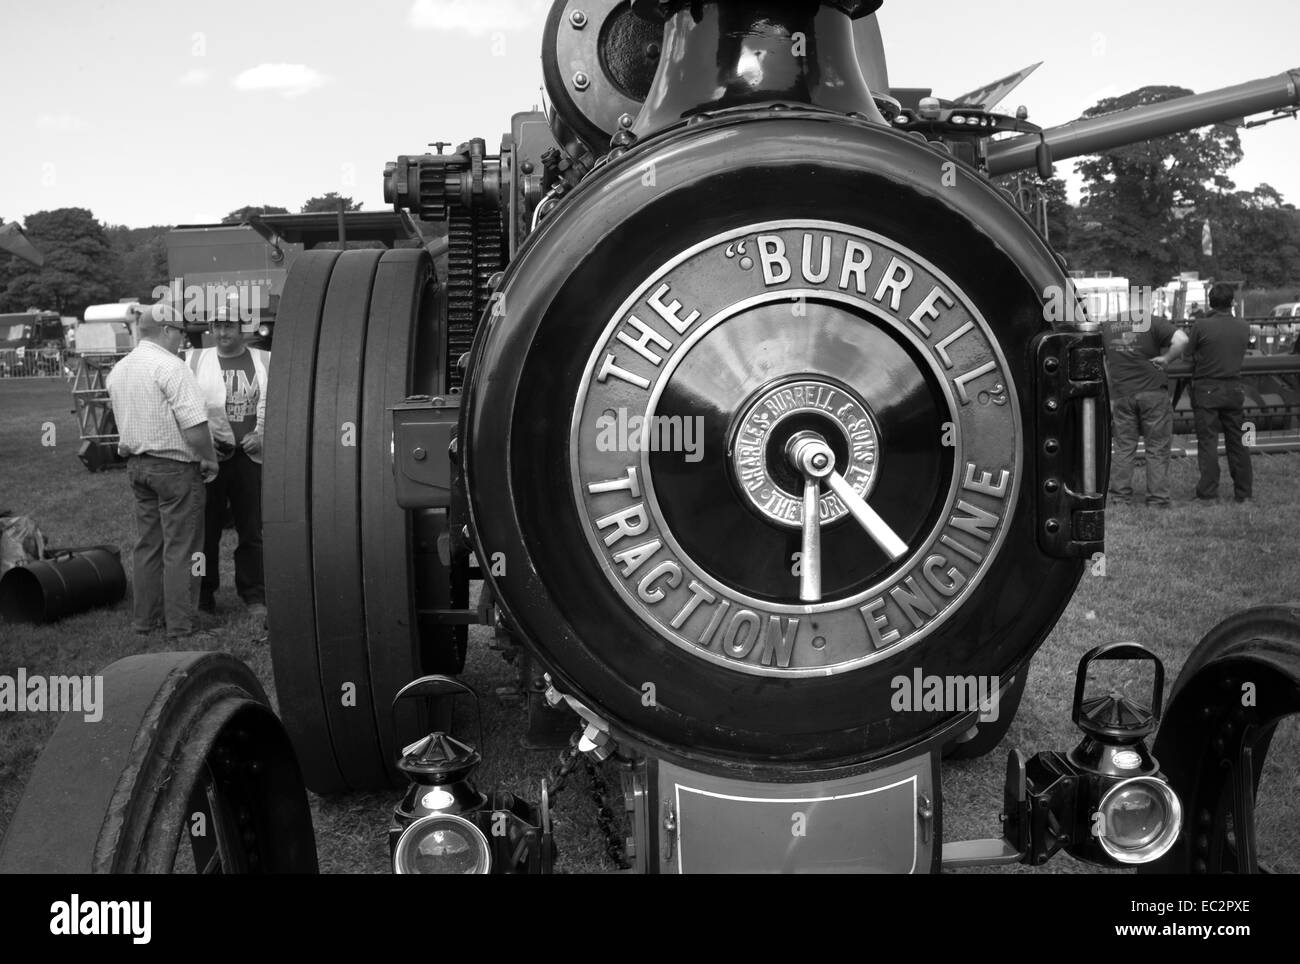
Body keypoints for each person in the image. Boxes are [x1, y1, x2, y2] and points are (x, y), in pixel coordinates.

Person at [106, 296, 219, 639]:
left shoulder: (119, 369)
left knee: (148, 544)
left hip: (137, 465)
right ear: (167, 330)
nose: (183, 339)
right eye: (180, 332)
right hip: (174, 468)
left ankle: (146, 620)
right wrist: (209, 457)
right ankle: (182, 624)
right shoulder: (172, 367)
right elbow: (195, 427)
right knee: (181, 547)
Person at [186, 307, 270, 623]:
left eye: (229, 327)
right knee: (205, 532)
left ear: (242, 328)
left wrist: (262, 434)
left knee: (252, 531)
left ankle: (254, 595)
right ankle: (204, 597)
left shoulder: (264, 360)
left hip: (250, 459)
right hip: (211, 458)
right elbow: (185, 405)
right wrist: (204, 441)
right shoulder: (194, 360)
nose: (223, 333)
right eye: (217, 327)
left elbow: (278, 402)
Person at [1101, 301, 1188, 508]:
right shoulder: (1152, 322)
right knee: (1157, 447)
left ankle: (1120, 498)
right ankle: (1157, 499)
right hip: (1152, 393)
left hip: (1122, 394)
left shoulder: (1108, 327)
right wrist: (1167, 358)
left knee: (1123, 447)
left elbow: (1102, 361)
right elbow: (1182, 340)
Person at [1188, 282, 1253, 503]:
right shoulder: (1244, 326)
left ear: (1210, 302)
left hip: (1206, 388)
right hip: (1234, 389)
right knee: (1239, 441)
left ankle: (1208, 493)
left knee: (1208, 442)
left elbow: (1188, 355)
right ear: (1232, 302)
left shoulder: (1200, 325)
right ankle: (1244, 493)